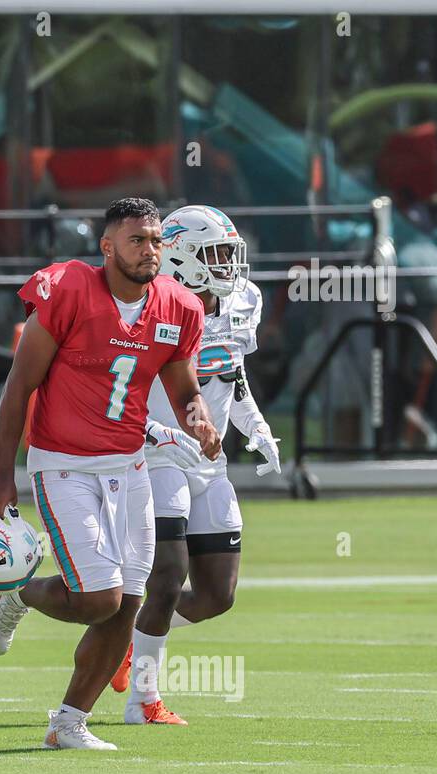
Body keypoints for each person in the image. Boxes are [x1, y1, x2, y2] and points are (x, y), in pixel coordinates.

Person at [0, 197, 221, 750]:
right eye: (137, 240)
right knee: (99, 600)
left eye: (157, 241)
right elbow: (19, 388)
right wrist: (2, 476)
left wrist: (198, 419)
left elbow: (184, 389)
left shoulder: (178, 306)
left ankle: (68, 724)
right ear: (107, 246)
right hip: (63, 465)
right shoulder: (66, 289)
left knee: (129, 603)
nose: (150, 251)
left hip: (129, 466)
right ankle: (19, 594)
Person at [111, 204, 280, 724]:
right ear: (181, 256)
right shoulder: (152, 303)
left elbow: (231, 371)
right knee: (166, 575)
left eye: (230, 254)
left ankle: (131, 638)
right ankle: (144, 698)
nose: (228, 265)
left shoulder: (243, 300)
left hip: (210, 459)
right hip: (156, 454)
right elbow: (117, 385)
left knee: (216, 594)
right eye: (216, 254)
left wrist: (255, 425)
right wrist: (152, 430)